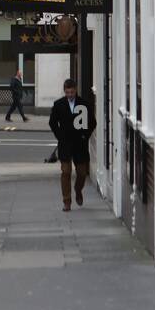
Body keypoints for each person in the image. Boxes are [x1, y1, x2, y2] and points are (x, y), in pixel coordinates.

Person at [48, 78, 96, 211]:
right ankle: (67, 201)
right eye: (67, 92)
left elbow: (92, 122)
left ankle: (78, 189)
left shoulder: (84, 104)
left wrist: (85, 136)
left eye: (72, 92)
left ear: (76, 90)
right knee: (66, 172)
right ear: (64, 91)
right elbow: (52, 122)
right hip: (65, 144)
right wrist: (60, 136)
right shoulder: (58, 105)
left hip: (80, 144)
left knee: (81, 173)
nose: (70, 95)